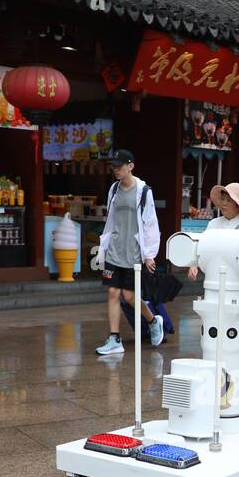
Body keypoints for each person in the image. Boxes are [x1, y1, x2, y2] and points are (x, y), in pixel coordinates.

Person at [95, 149, 163, 356]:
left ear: (131, 166)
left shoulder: (144, 191)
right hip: (115, 249)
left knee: (130, 296)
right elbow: (111, 219)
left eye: (120, 166)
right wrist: (104, 247)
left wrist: (150, 254)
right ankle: (114, 339)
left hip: (133, 252)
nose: (116, 170)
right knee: (113, 292)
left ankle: (153, 321)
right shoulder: (114, 189)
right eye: (114, 167)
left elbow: (150, 223)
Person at [185, 182, 239, 301]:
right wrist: (194, 264)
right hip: (213, 287)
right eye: (222, 199)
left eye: (229, 200)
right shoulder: (213, 224)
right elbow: (201, 247)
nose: (224, 203)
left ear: (238, 205)